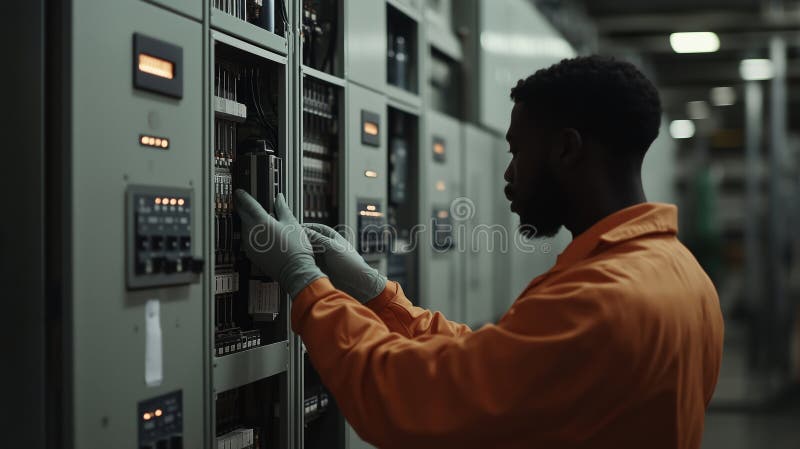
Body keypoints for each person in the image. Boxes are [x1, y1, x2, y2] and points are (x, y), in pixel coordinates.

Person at [234, 56, 724, 449]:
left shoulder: (600, 299)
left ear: (567, 150)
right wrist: (378, 295)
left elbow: (410, 400)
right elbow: (485, 364)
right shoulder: (682, 275)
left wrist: (304, 280)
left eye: (517, 152)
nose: (508, 175)